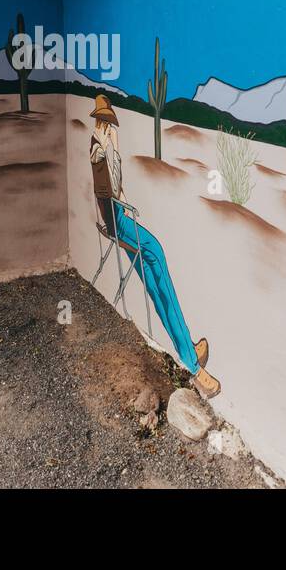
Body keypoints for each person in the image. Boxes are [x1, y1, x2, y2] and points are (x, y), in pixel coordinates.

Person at [88, 94, 220, 399]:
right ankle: (192, 364)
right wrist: (112, 148)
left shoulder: (100, 147)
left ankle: (186, 348)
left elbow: (115, 187)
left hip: (118, 218)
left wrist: (114, 148)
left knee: (156, 280)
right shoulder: (97, 149)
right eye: (107, 122)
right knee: (157, 253)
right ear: (102, 122)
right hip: (119, 221)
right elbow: (114, 188)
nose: (109, 127)